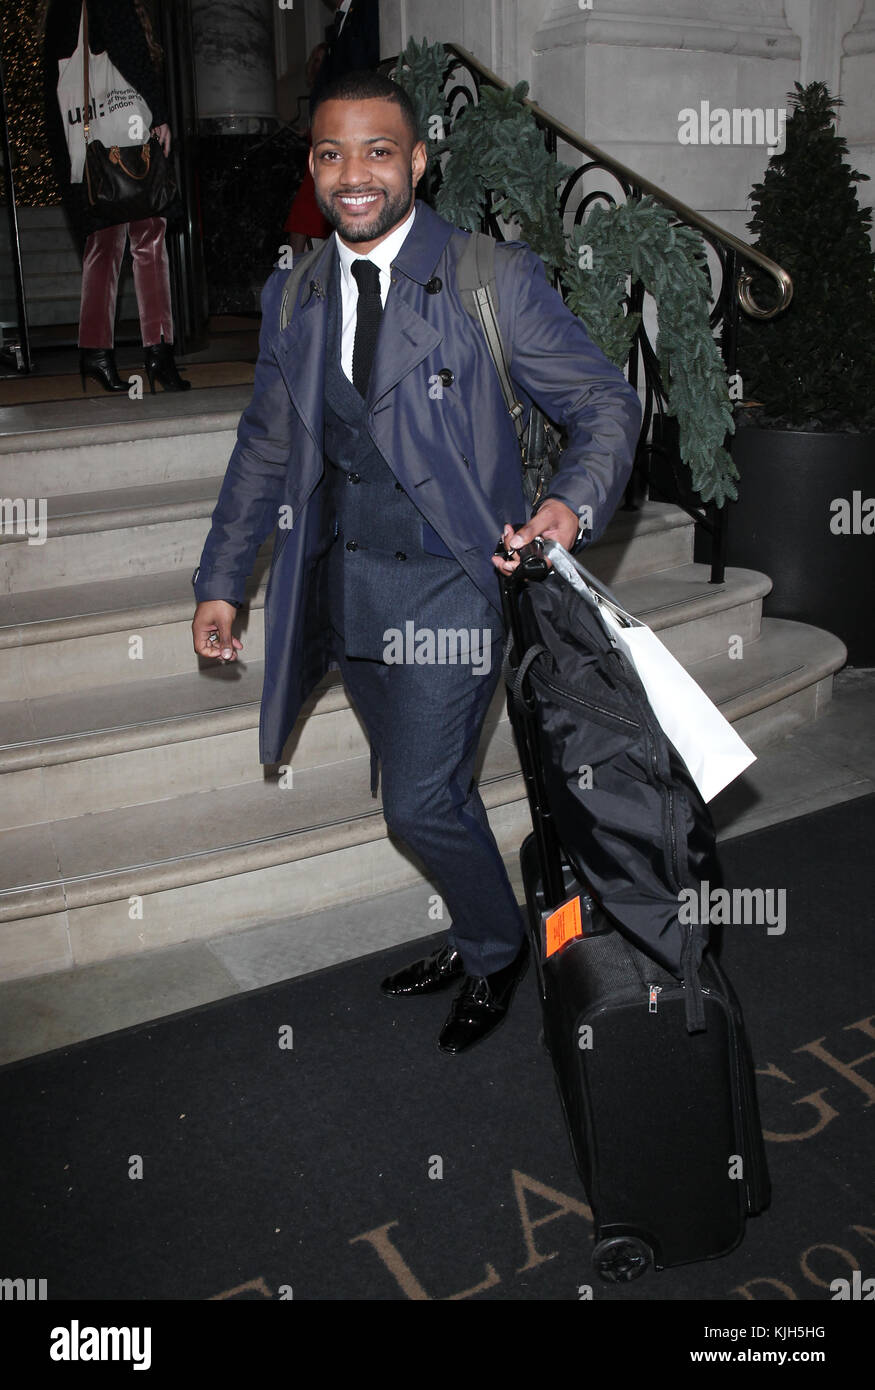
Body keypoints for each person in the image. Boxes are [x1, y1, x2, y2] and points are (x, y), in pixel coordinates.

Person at [191, 71, 642, 1054]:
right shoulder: (293, 292)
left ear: (418, 162)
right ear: (311, 167)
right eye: (329, 153)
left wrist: (567, 503)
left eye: (377, 151)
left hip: (452, 582)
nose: (352, 175)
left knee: (414, 800)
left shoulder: (491, 279)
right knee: (425, 783)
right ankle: (475, 923)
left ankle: (493, 949)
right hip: (344, 587)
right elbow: (265, 447)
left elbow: (605, 405)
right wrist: (224, 579)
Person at [41, 0, 189, 393]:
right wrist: (158, 113)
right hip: (127, 137)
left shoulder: (59, 10)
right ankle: (159, 353)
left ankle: (95, 353)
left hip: (87, 147)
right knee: (148, 240)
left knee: (102, 245)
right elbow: (129, 50)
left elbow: (52, 83)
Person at [284, 0, 380, 256]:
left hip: (348, 127)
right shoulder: (340, 20)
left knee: (323, 196)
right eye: (314, 61)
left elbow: (365, 65)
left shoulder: (364, 10)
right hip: (330, 132)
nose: (317, 64)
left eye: (319, 59)